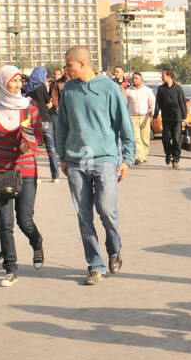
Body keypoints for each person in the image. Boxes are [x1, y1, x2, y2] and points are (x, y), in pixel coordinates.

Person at [56, 47, 134, 285]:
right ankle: (95, 265)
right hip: (76, 161)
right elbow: (62, 125)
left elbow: (124, 124)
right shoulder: (68, 90)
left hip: (105, 159)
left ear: (82, 63)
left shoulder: (109, 88)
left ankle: (115, 248)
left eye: (69, 65)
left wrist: (127, 159)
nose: (65, 70)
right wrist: (62, 157)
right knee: (84, 217)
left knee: (106, 211)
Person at [0, 66, 45, 287]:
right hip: (2, 173)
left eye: (19, 81)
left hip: (26, 170)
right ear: (2, 83)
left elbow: (39, 136)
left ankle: (37, 241)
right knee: (5, 223)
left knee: (24, 220)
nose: (17, 85)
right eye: (13, 81)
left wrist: (30, 144)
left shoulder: (29, 107)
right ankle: (10, 269)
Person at [24, 67, 61, 183]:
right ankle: (55, 176)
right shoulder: (41, 87)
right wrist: (49, 101)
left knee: (33, 149)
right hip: (45, 119)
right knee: (51, 148)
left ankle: (35, 176)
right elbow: (47, 100)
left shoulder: (28, 89)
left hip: (33, 120)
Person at [155, 69, 189, 168]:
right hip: (166, 118)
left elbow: (182, 103)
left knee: (177, 139)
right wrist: (155, 115)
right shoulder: (161, 89)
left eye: (163, 75)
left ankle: (176, 159)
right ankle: (168, 153)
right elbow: (158, 103)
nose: (162, 77)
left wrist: (184, 117)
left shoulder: (178, 88)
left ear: (169, 76)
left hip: (177, 118)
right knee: (165, 139)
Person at [124, 72, 157, 165]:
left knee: (145, 138)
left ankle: (143, 155)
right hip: (133, 117)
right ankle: (139, 157)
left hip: (144, 116)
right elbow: (125, 104)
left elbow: (152, 102)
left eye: (136, 78)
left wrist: (152, 114)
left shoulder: (147, 90)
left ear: (141, 79)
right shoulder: (128, 91)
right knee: (136, 138)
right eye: (133, 78)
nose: (134, 80)